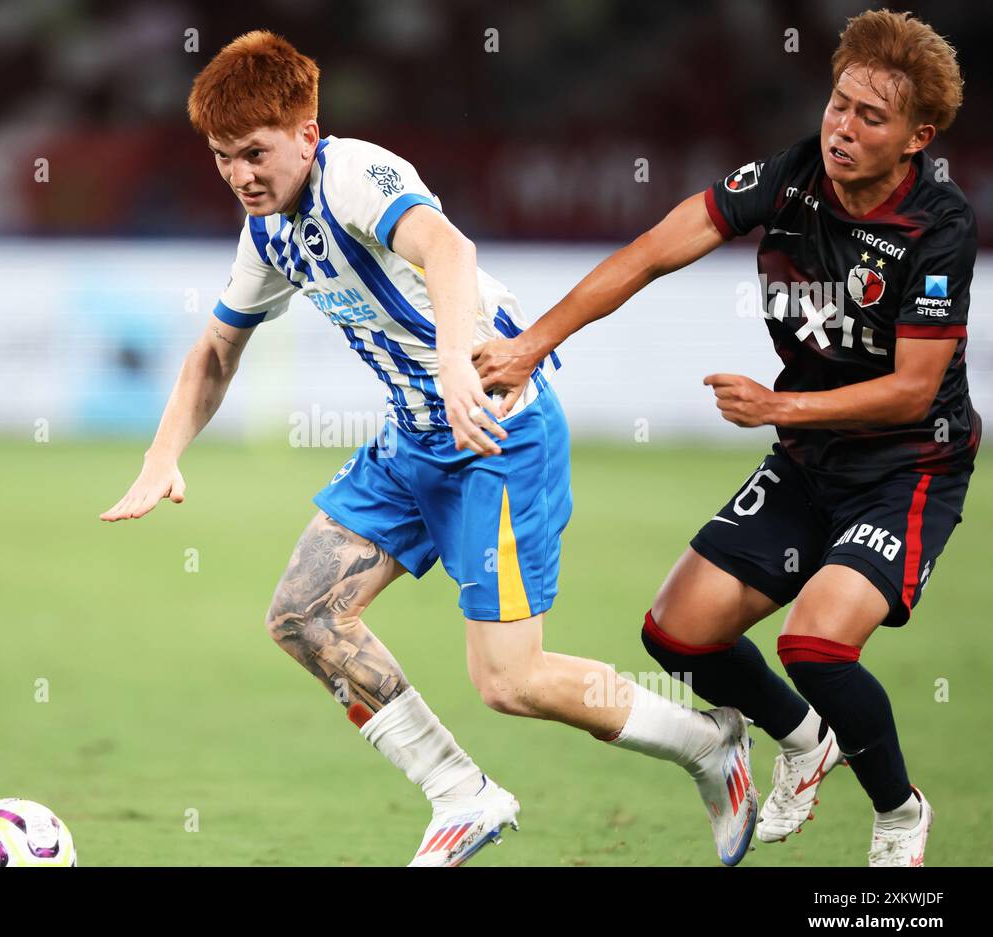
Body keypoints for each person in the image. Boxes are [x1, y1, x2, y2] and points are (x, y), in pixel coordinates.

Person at [103, 30, 760, 866]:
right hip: (413, 441)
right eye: (223, 157)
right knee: (302, 616)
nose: (239, 175)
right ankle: (462, 794)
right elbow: (213, 351)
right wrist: (163, 457)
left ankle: (706, 743)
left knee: (510, 683)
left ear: (307, 133)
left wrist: (456, 362)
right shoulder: (266, 230)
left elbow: (448, 249)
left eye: (255, 153)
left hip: (497, 429)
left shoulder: (355, 175)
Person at [474, 10, 976, 866]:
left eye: (870, 117)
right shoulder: (789, 178)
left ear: (916, 138)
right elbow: (648, 254)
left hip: (905, 468)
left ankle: (898, 814)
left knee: (814, 644)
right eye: (838, 103)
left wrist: (778, 409)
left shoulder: (938, 227)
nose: (841, 128)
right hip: (807, 461)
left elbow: (911, 390)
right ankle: (802, 739)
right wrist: (533, 346)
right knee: (677, 636)